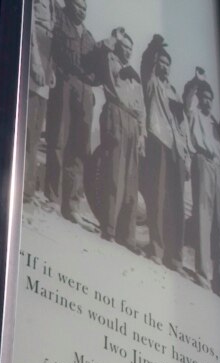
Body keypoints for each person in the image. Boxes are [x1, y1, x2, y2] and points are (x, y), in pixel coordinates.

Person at [88, 28, 146, 250]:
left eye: (131, 49)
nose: (128, 52)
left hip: (133, 123)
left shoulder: (134, 76)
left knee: (130, 182)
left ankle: (127, 236)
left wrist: (142, 134)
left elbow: (142, 109)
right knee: (114, 174)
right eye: (124, 47)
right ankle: (109, 228)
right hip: (115, 113)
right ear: (118, 47)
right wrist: (114, 38)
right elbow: (99, 49)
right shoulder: (109, 61)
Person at [140, 36, 191, 268]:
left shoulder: (174, 91)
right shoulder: (151, 82)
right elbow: (145, 64)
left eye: (168, 64)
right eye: (161, 62)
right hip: (158, 140)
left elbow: (183, 124)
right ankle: (156, 249)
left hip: (176, 149)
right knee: (158, 197)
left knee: (177, 204)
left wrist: (186, 156)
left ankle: (175, 257)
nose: (165, 67)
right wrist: (154, 47)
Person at [43, 0, 96, 223]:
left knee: (79, 146)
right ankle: (53, 198)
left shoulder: (89, 36)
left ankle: (71, 205)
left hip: (84, 90)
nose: (82, 10)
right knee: (58, 139)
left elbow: (97, 67)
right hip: (64, 82)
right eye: (78, 5)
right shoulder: (59, 20)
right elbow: (52, 49)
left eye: (85, 7)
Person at [185, 72, 220, 293]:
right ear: (199, 98)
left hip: (218, 169)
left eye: (211, 98)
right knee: (203, 218)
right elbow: (186, 98)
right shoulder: (193, 114)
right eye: (204, 97)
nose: (208, 101)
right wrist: (196, 82)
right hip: (202, 162)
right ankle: (202, 273)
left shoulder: (216, 126)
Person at [24, 0, 59, 204]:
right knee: (28, 128)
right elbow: (29, 25)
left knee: (36, 131)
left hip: (46, 59)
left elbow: (52, 34)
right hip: (34, 55)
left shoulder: (54, 5)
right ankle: (19, 187)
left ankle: (28, 189)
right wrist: (35, 61)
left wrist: (50, 68)